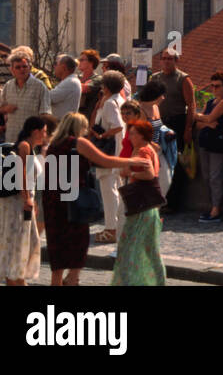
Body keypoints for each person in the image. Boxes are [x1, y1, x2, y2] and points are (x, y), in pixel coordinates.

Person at [43, 112, 148, 285]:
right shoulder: (78, 143)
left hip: (53, 199)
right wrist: (130, 160)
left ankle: (59, 281)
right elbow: (105, 160)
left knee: (58, 245)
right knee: (79, 241)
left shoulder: (53, 145)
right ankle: (72, 279)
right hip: (73, 199)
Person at [0, 115, 50, 284]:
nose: (45, 134)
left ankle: (16, 280)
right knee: (15, 245)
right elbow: (21, 173)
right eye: (44, 131)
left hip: (19, 203)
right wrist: (27, 198)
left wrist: (31, 199)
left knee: (18, 246)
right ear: (35, 131)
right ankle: (15, 280)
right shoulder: (25, 146)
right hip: (16, 205)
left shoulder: (29, 147)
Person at [112, 119, 166, 285]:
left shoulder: (142, 151)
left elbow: (149, 175)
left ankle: (128, 282)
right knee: (150, 248)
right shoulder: (151, 148)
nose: (129, 137)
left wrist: (129, 173)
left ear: (142, 135)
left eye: (133, 133)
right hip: (150, 204)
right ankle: (157, 281)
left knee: (128, 246)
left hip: (141, 204)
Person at [150, 48, 196, 212]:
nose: (167, 61)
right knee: (158, 163)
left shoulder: (183, 79)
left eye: (170, 59)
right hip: (159, 124)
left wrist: (188, 128)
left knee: (174, 163)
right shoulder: (155, 78)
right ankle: (159, 199)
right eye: (164, 58)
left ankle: (174, 202)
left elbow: (191, 105)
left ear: (176, 61)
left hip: (177, 123)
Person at [194, 71, 223, 223]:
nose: (214, 89)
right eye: (212, 86)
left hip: (220, 144)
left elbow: (209, 117)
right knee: (206, 176)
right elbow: (197, 121)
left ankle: (216, 209)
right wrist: (207, 122)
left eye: (217, 86)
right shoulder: (210, 102)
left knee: (216, 177)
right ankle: (211, 206)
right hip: (206, 142)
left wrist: (204, 119)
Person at [91, 71, 127, 245]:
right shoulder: (117, 100)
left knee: (108, 190)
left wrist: (102, 136)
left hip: (109, 151)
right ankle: (116, 226)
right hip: (117, 151)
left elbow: (118, 126)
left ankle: (111, 228)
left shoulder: (110, 104)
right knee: (115, 189)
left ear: (105, 86)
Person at [0, 49, 48, 149]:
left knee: (29, 165)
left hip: (31, 142)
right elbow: (1, 108)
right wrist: (6, 109)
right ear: (12, 70)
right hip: (11, 139)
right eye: (18, 67)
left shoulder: (39, 87)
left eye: (24, 66)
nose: (22, 69)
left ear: (30, 67)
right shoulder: (8, 86)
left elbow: (45, 114)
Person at [44, 55, 82, 121]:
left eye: (56, 64)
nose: (54, 67)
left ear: (63, 67)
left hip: (63, 125)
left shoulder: (70, 82)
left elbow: (48, 98)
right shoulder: (69, 81)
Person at [77, 50, 102, 120]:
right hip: (75, 117)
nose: (79, 62)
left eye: (82, 60)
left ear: (91, 62)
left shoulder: (98, 79)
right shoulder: (77, 78)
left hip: (88, 118)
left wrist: (70, 82)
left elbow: (84, 89)